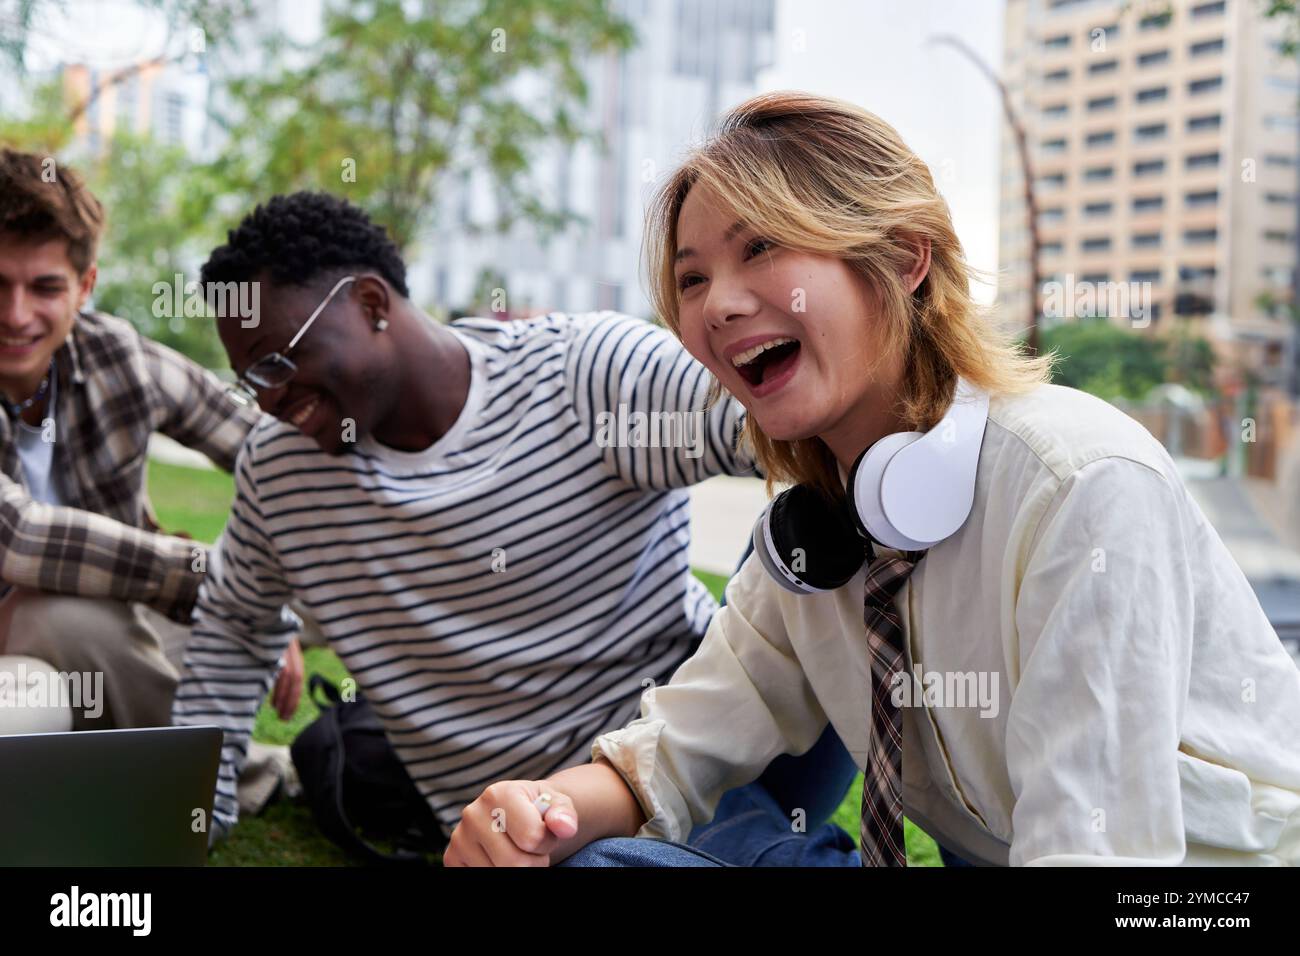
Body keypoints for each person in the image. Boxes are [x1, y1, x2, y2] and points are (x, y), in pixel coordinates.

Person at [445, 91, 1300, 867]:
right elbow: (679, 744)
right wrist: (537, 811)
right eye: (692, 277)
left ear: (901, 259)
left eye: (763, 246)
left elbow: (1098, 855)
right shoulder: (811, 531)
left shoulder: (1080, 483)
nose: (717, 305)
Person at [173, 191, 860, 862]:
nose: (267, 400)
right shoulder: (281, 472)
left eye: (275, 362)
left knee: (822, 511)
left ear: (370, 303)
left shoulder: (584, 375)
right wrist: (194, 815)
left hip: (715, 754)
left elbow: (804, 426)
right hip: (534, 827)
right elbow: (234, 631)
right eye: (248, 381)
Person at [0, 147, 303, 737]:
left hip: (121, 625)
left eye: (44, 287)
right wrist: (222, 582)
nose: (16, 315)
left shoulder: (117, 355)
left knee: (303, 599)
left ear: (85, 286)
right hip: (25, 658)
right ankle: (217, 777)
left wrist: (264, 597)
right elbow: (19, 538)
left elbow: (273, 453)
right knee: (64, 624)